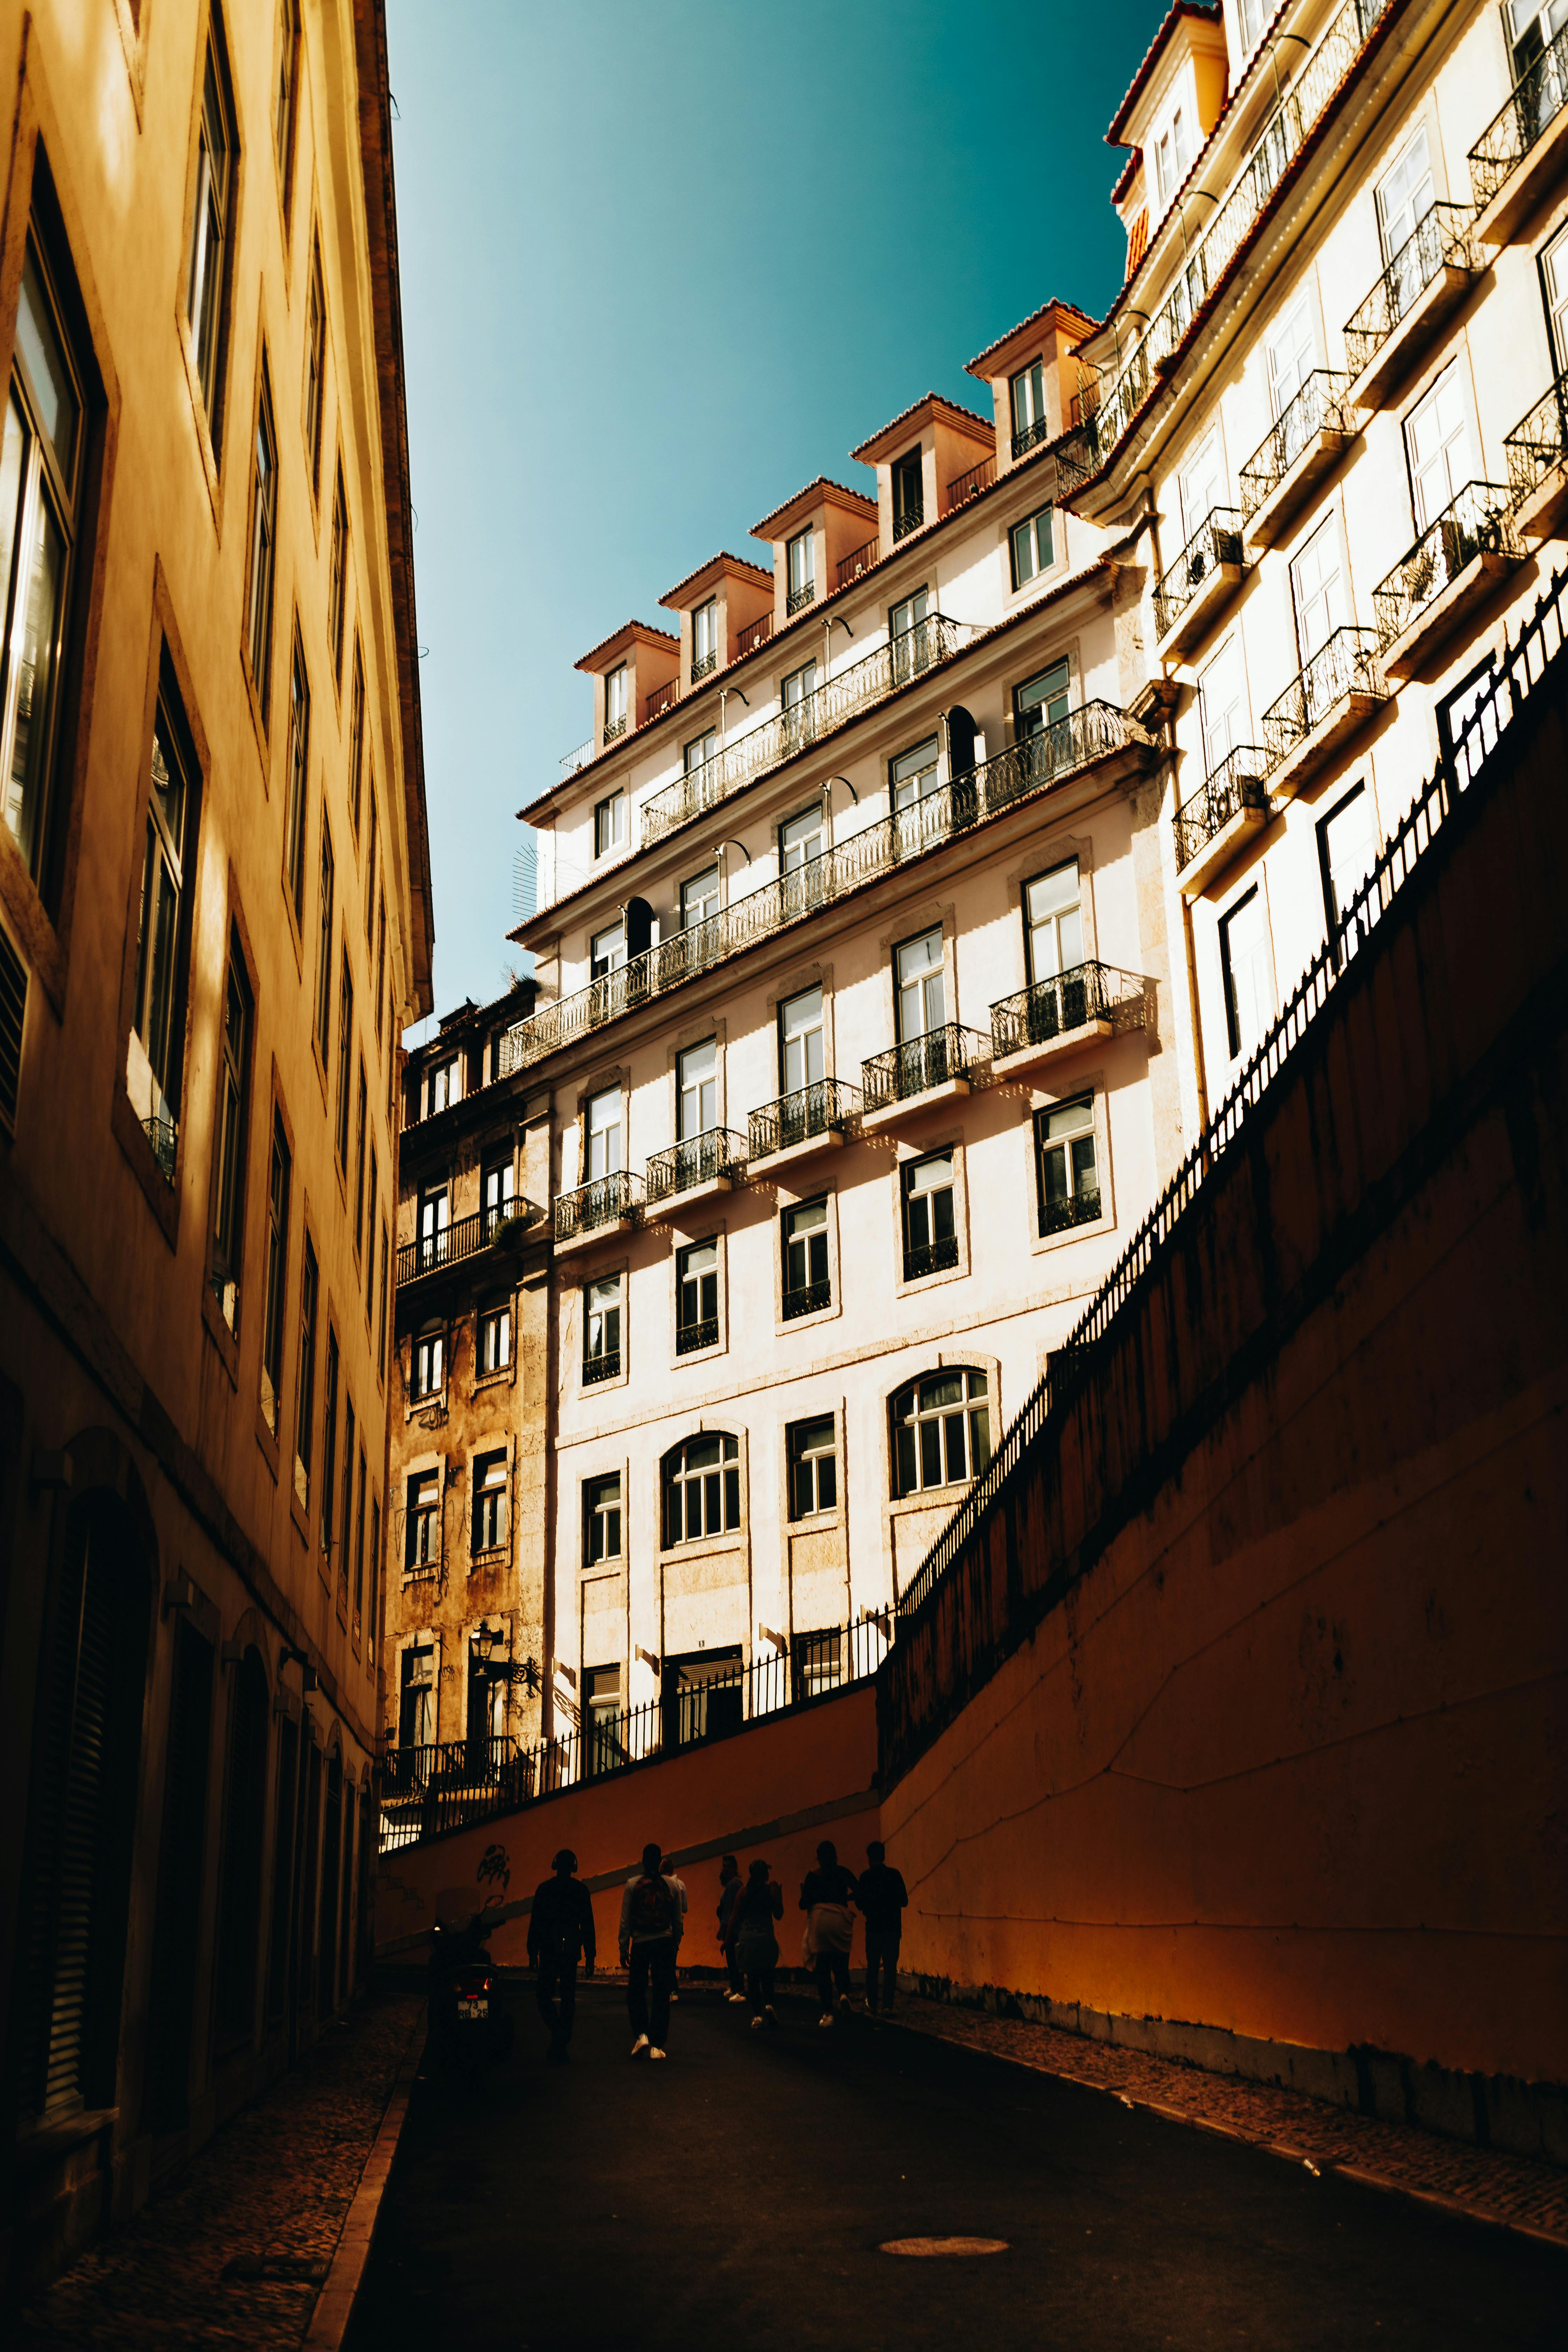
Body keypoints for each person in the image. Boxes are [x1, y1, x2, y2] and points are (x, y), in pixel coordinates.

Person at [527, 1847, 596, 2061]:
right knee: (568, 1998)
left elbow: (536, 1923)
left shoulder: (544, 1889)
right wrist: (591, 1956)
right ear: (573, 1867)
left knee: (543, 1996)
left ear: (556, 1865)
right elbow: (587, 1925)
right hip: (571, 1951)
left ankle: (558, 2034)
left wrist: (533, 1952)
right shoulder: (580, 1890)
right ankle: (561, 2038)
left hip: (549, 1949)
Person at [618, 1841, 680, 2059]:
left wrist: (624, 1948)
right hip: (664, 1942)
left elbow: (626, 1920)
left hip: (641, 1943)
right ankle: (658, 2046)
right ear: (661, 1861)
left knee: (636, 1990)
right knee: (662, 1993)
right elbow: (677, 1919)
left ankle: (641, 2034)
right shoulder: (672, 1886)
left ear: (643, 1861)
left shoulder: (633, 1884)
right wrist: (676, 1943)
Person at [799, 1839, 859, 2026]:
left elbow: (803, 1904)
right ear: (835, 1856)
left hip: (820, 1921)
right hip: (840, 1918)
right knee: (841, 1964)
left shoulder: (812, 1876)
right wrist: (846, 1897)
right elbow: (860, 1890)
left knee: (823, 1969)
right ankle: (843, 1995)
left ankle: (828, 2014)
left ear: (818, 1858)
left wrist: (806, 1893)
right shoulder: (843, 1873)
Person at [857, 1839, 908, 2016]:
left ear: (869, 1858)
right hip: (892, 1928)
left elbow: (859, 1903)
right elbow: (904, 1901)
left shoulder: (865, 1877)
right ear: (884, 1856)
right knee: (890, 1969)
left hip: (873, 1928)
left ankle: (872, 2004)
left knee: (872, 1967)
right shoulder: (895, 1875)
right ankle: (888, 2006)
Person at [730, 1858, 783, 2028]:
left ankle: (757, 2016)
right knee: (767, 1974)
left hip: (748, 1937)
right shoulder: (771, 1890)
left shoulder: (743, 1892)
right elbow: (779, 1914)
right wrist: (778, 1894)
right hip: (766, 1935)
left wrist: (727, 1939)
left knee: (752, 1977)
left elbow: (735, 1916)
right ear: (765, 1874)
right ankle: (769, 2005)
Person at [716, 1855, 746, 2002]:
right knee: (732, 1957)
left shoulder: (734, 1885)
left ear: (735, 1868)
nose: (726, 1869)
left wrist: (723, 1927)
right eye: (724, 1866)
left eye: (729, 1866)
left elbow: (729, 1910)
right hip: (733, 1926)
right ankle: (735, 1986)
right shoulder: (732, 1885)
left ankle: (739, 1989)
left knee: (734, 1957)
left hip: (735, 1928)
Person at [661, 1854, 688, 1998]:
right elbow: (685, 1908)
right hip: (677, 1926)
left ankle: (669, 1990)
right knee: (672, 1959)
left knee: (662, 1961)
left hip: (663, 1926)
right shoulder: (681, 1884)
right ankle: (673, 1990)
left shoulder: (660, 1884)